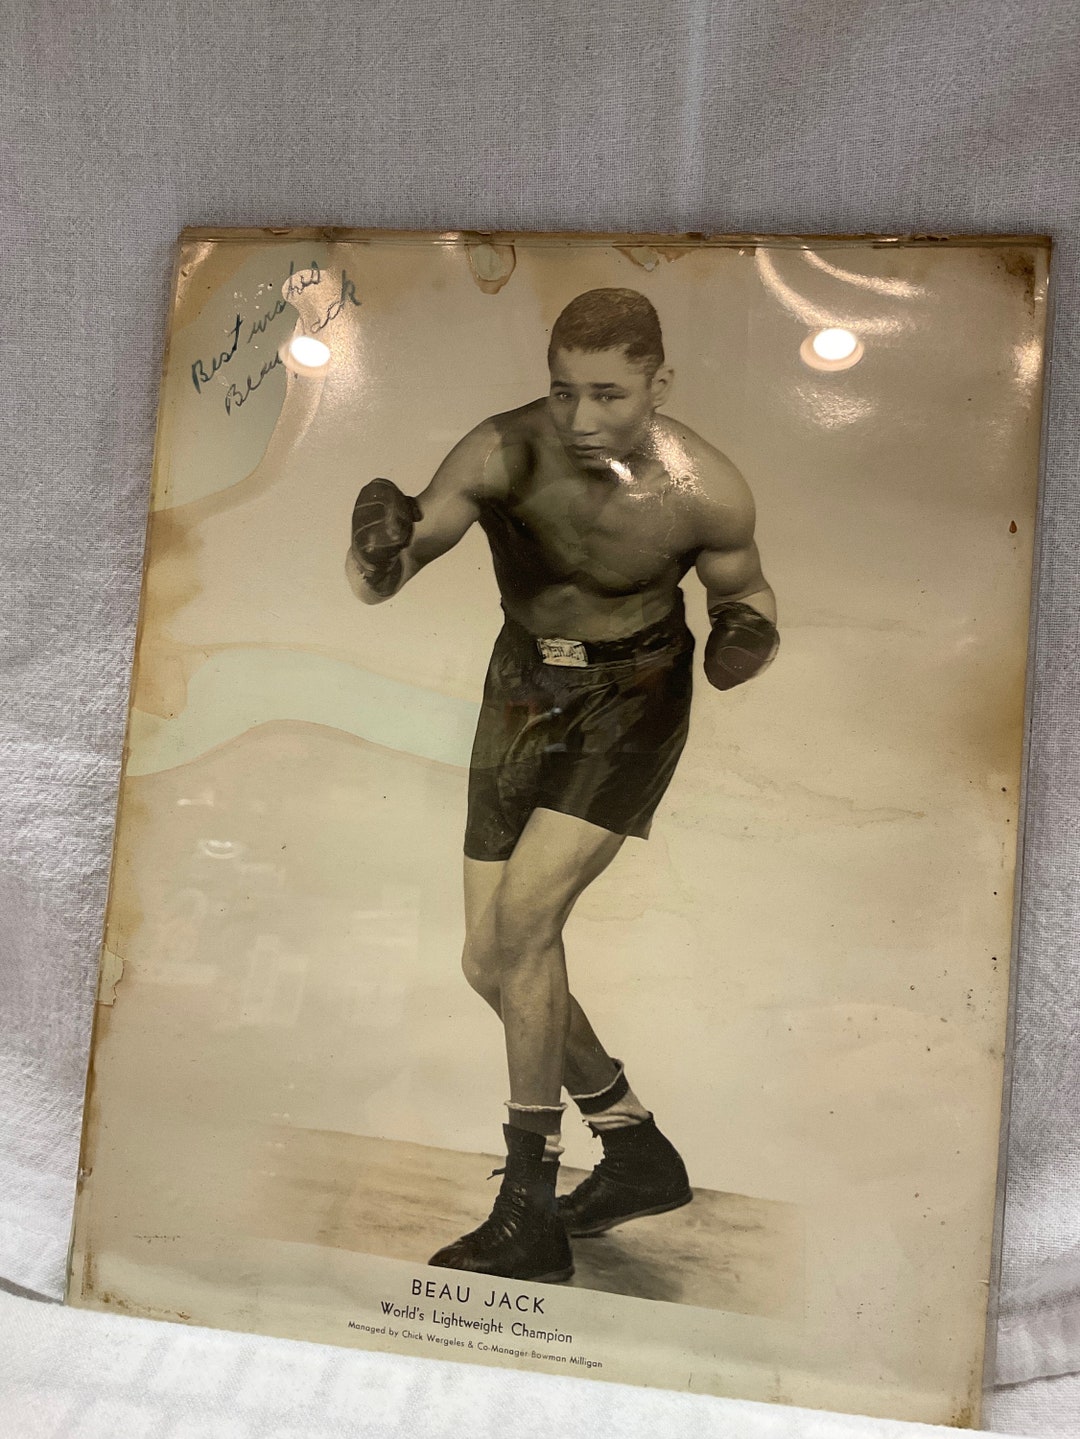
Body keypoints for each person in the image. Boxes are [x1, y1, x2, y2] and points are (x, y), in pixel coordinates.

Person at [346, 288, 777, 1284]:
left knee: (524, 930)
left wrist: (749, 634)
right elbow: (401, 561)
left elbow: (744, 590)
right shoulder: (503, 449)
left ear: (658, 384)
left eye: (610, 395)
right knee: (487, 961)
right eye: (564, 390)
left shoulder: (707, 486)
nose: (583, 420)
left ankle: (527, 1211)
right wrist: (377, 547)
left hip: (632, 695)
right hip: (521, 685)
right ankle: (634, 1148)